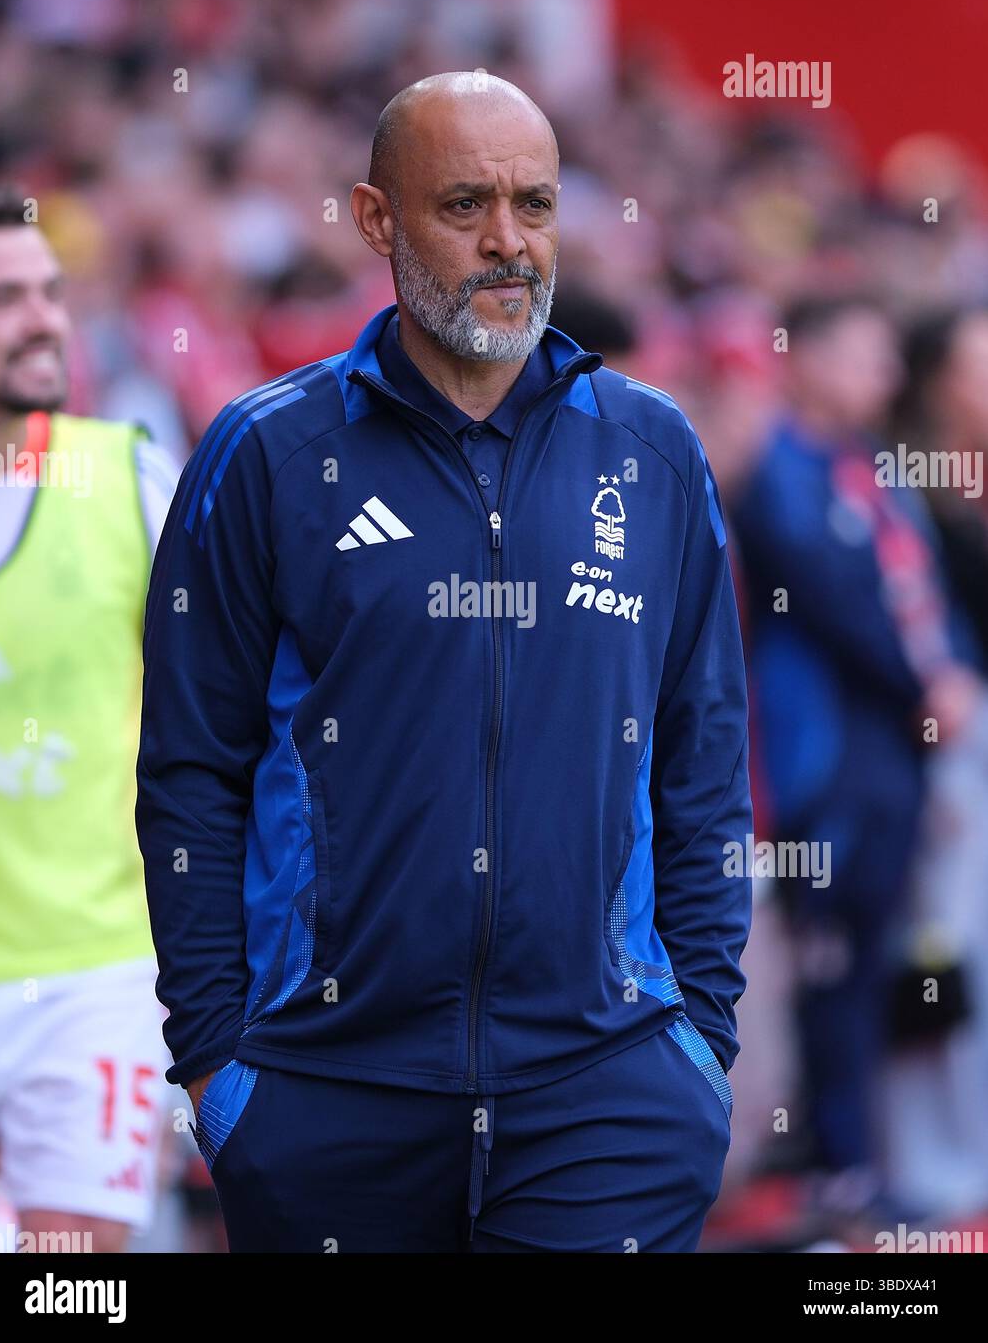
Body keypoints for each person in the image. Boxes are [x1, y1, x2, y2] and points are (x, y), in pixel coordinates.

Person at [137, 72, 752, 1253]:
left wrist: (698, 1041)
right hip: (327, 1097)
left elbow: (703, 757)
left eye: (534, 204)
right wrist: (217, 1061)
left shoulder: (652, 451)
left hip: (606, 1095)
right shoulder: (267, 454)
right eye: (464, 204)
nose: (507, 241)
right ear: (376, 219)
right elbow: (188, 773)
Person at [732, 296, 980, 1226]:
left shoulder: (875, 468)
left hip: (902, 751)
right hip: (830, 756)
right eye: (863, 356)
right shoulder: (778, 474)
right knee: (832, 966)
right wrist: (923, 686)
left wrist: (951, 674)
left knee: (891, 961)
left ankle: (874, 1161)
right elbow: (833, 601)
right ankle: (838, 1170)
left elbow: (924, 594)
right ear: (804, 358)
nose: (883, 376)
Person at [0, 184, 177, 1251]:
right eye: (1, 300)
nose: (43, 320)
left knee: (70, 1286)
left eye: (49, 293)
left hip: (89, 973)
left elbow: (245, 712)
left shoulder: (128, 480)